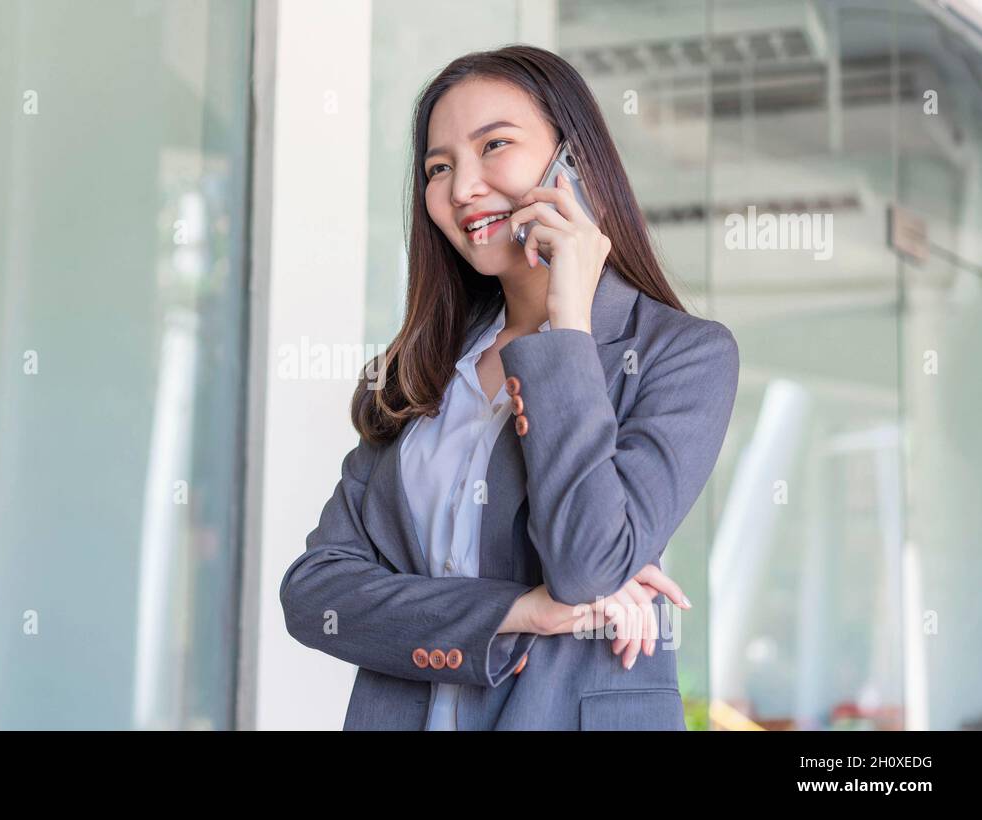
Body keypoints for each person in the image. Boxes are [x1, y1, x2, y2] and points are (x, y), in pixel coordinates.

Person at [278, 45, 740, 730]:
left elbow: (587, 563)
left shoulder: (683, 354)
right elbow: (316, 595)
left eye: (494, 145)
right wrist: (516, 610)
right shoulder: (421, 368)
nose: (462, 187)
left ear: (572, 163)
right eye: (439, 168)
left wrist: (568, 330)